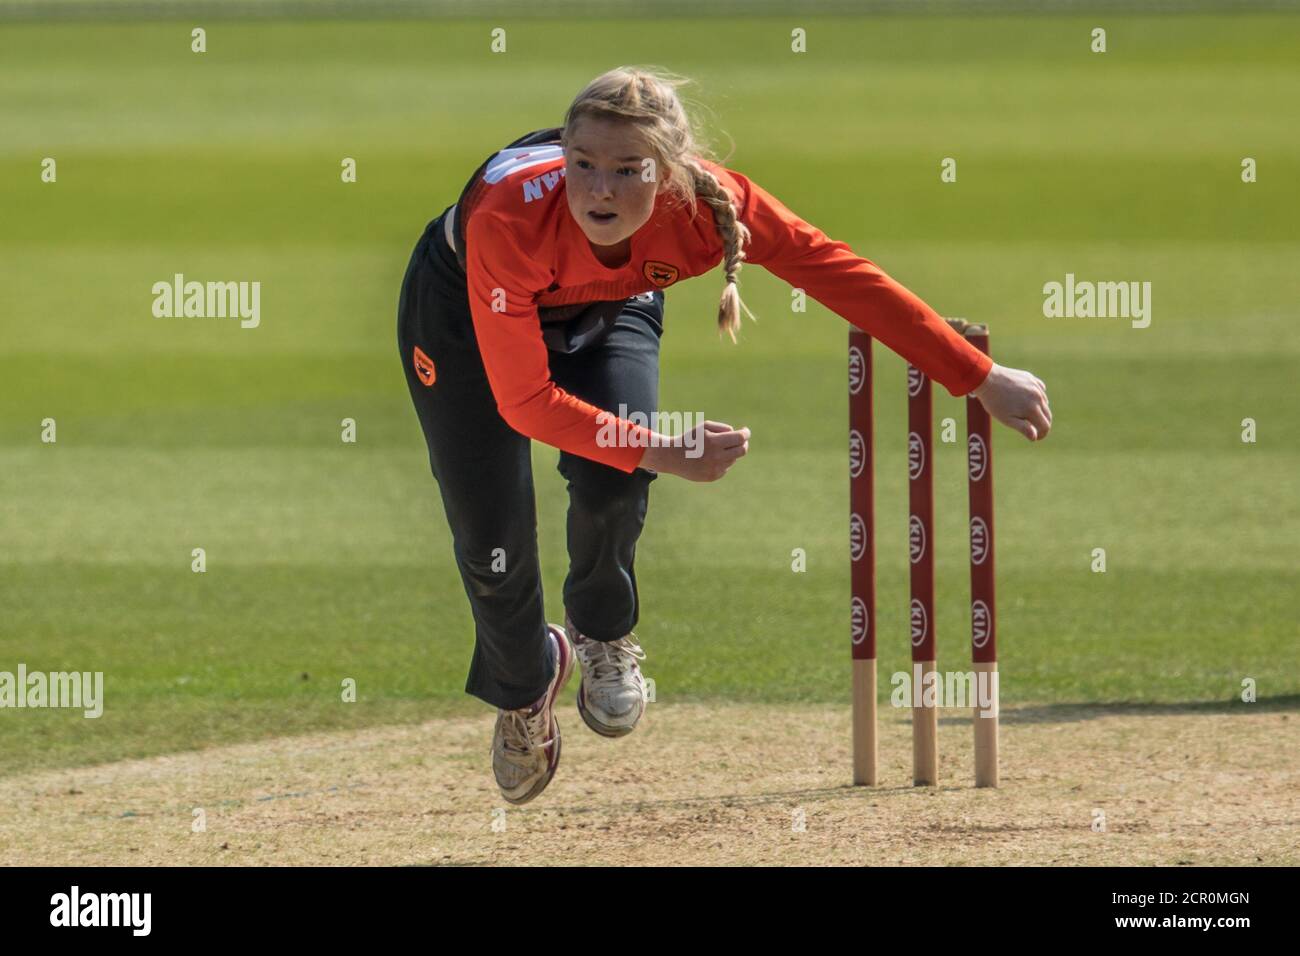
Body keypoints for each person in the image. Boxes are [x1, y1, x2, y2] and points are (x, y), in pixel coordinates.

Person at [396, 66, 1051, 806]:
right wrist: (670, 449)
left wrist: (976, 375)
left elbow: (840, 275)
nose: (599, 190)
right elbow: (527, 404)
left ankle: (602, 633)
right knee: (491, 535)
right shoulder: (510, 220)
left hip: (610, 302)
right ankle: (524, 686)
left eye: (626, 171)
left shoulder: (711, 210)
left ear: (669, 174)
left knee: (614, 477)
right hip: (463, 308)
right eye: (582, 165)